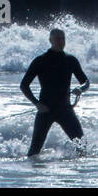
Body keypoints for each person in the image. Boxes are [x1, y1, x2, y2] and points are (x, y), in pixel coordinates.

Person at [20, 28, 90, 157]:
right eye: (57, 38)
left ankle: (81, 173)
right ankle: (30, 174)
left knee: (82, 147)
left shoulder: (70, 60)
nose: (60, 41)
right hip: (45, 110)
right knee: (34, 151)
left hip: (66, 110)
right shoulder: (40, 60)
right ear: (50, 40)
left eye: (63, 38)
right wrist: (37, 103)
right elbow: (24, 85)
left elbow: (86, 82)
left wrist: (81, 89)